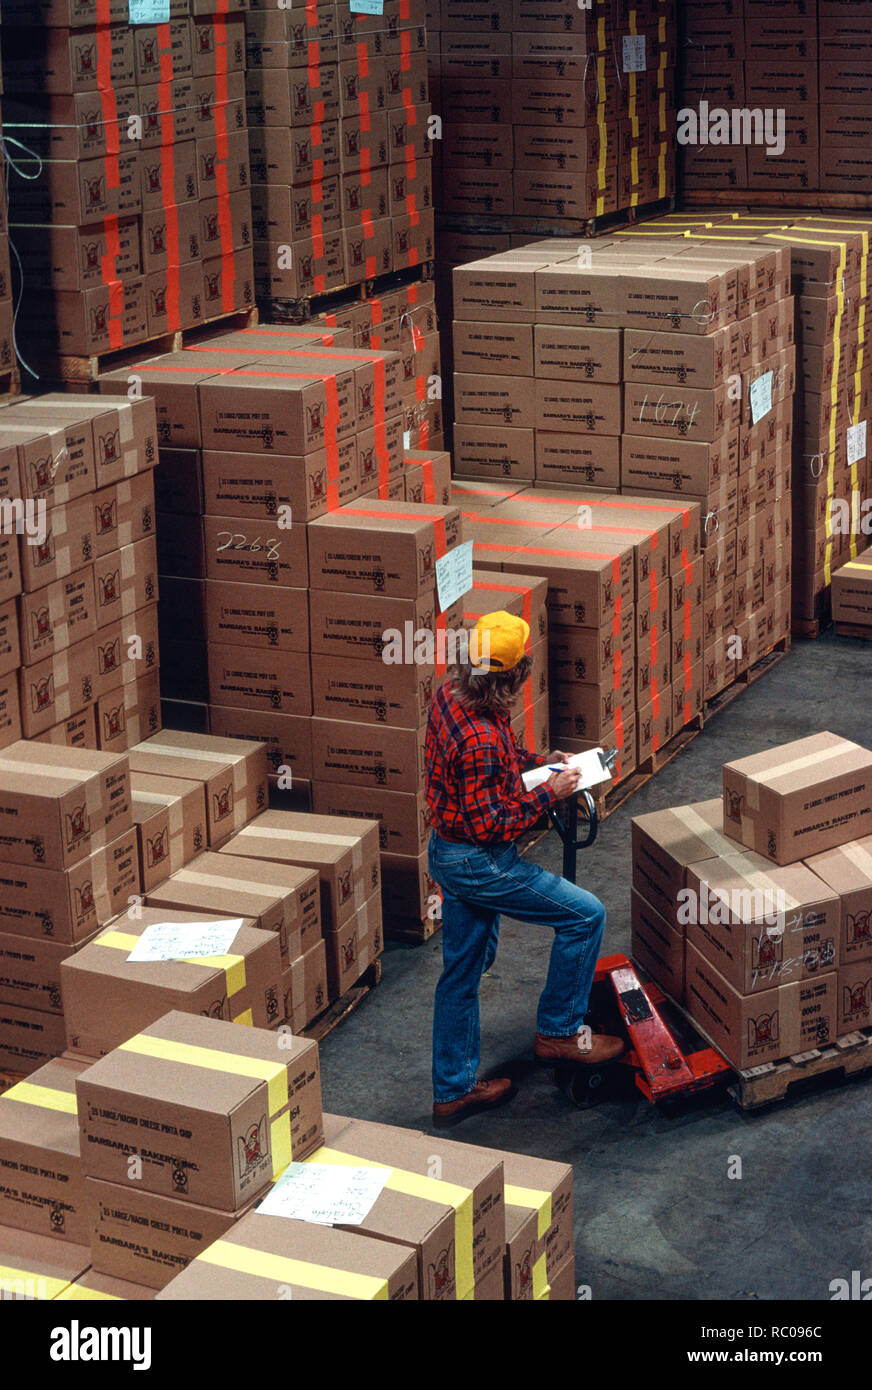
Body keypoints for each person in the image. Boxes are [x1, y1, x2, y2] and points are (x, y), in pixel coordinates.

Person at [425, 609, 624, 1127]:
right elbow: (492, 824)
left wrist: (540, 764)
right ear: (513, 678)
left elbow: (499, 761)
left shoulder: (451, 696)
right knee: (585, 916)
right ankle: (559, 1031)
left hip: (447, 850)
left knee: (462, 973)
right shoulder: (480, 740)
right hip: (478, 862)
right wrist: (550, 794)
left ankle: (453, 1091)